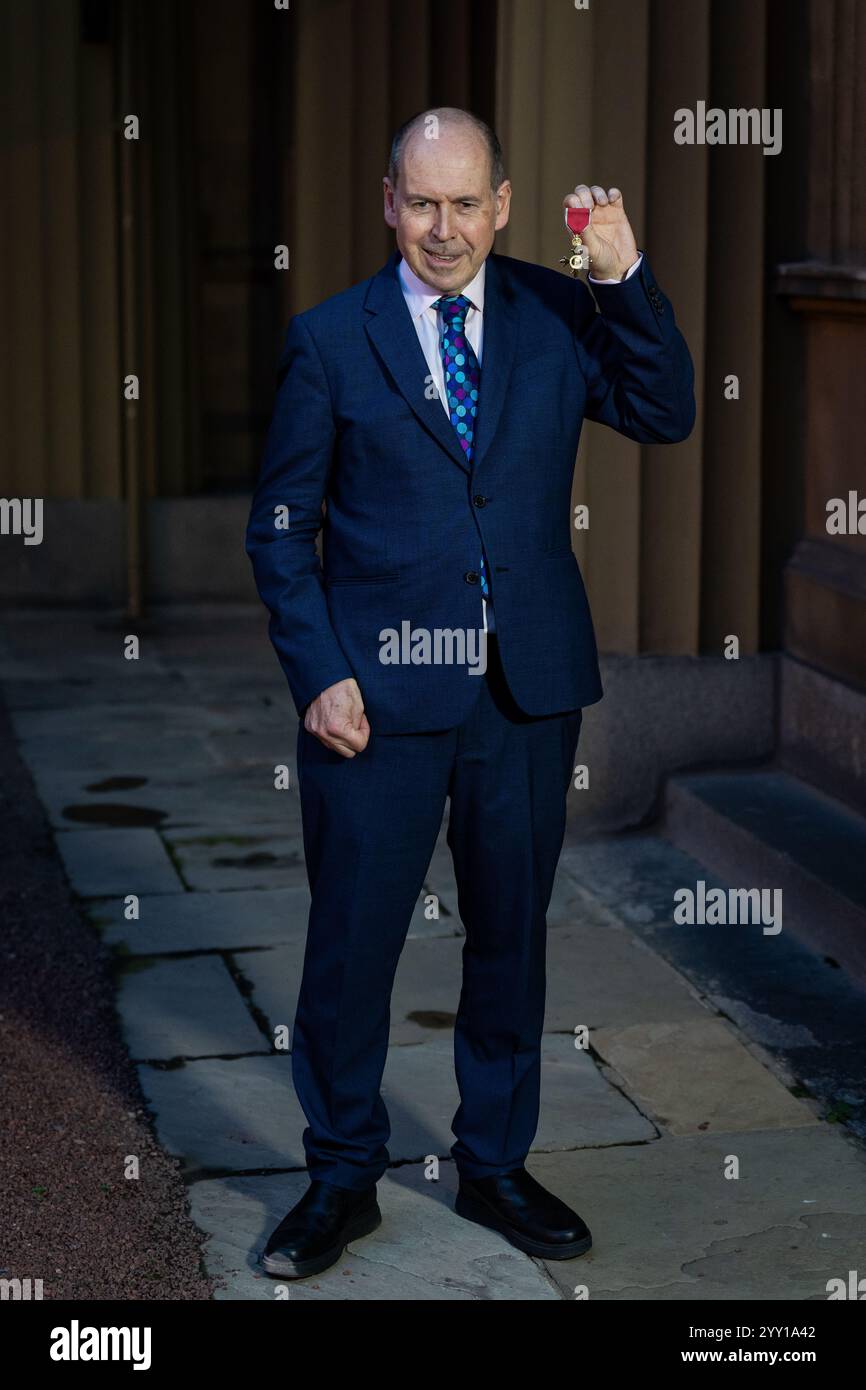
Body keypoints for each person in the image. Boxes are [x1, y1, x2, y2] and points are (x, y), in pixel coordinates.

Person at [245, 106, 695, 1280]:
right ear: (388, 202)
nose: (442, 229)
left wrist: (627, 274)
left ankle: (493, 1163)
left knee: (509, 937)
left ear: (500, 206)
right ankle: (341, 1177)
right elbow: (281, 530)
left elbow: (662, 410)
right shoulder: (329, 340)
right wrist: (320, 671)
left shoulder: (555, 310)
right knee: (352, 945)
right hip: (378, 698)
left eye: (466, 204)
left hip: (523, 688)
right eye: (421, 203)